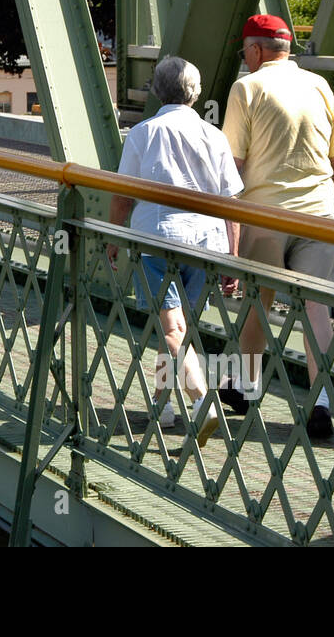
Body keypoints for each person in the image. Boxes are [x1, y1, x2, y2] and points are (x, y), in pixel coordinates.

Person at [220, 14, 334, 439]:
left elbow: (233, 164)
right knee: (318, 307)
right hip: (318, 214)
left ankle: (244, 385)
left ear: (255, 51)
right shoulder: (318, 85)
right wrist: (321, 192)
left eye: (245, 53)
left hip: (266, 214)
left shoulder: (247, 88)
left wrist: (228, 223)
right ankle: (322, 399)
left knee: (259, 298)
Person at [110, 56, 243, 447]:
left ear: (155, 90)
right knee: (179, 328)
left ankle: (202, 402)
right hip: (205, 243)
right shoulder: (214, 136)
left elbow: (122, 196)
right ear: (197, 93)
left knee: (171, 328)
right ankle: (162, 405)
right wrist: (232, 254)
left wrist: (114, 237)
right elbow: (231, 203)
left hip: (156, 241)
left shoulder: (142, 134)